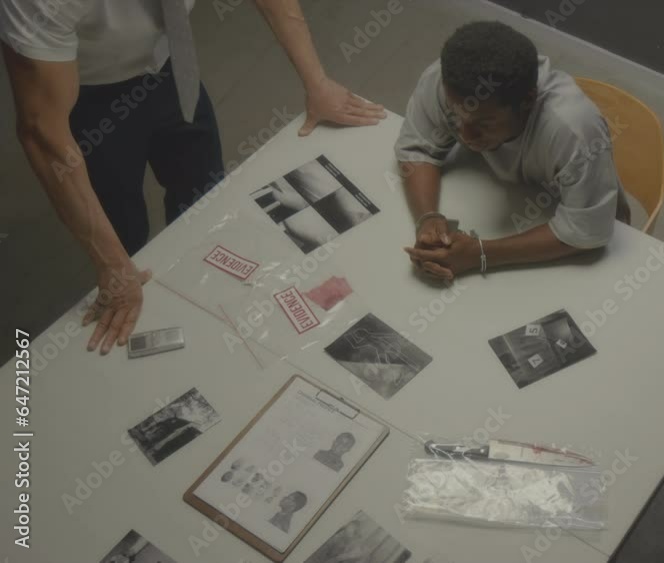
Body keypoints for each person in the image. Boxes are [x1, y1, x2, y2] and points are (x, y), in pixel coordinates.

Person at [1, 0, 387, 355]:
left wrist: (316, 81)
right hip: (87, 91)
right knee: (123, 232)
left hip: (171, 64)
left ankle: (200, 298)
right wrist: (112, 266)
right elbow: (42, 132)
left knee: (203, 196)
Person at [396, 21, 629, 281]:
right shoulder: (447, 80)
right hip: (513, 199)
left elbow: (586, 231)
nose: (465, 135)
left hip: (584, 240)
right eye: (455, 115)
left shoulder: (574, 130)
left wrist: (480, 254)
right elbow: (417, 149)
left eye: (483, 124)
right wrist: (428, 219)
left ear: (528, 101)